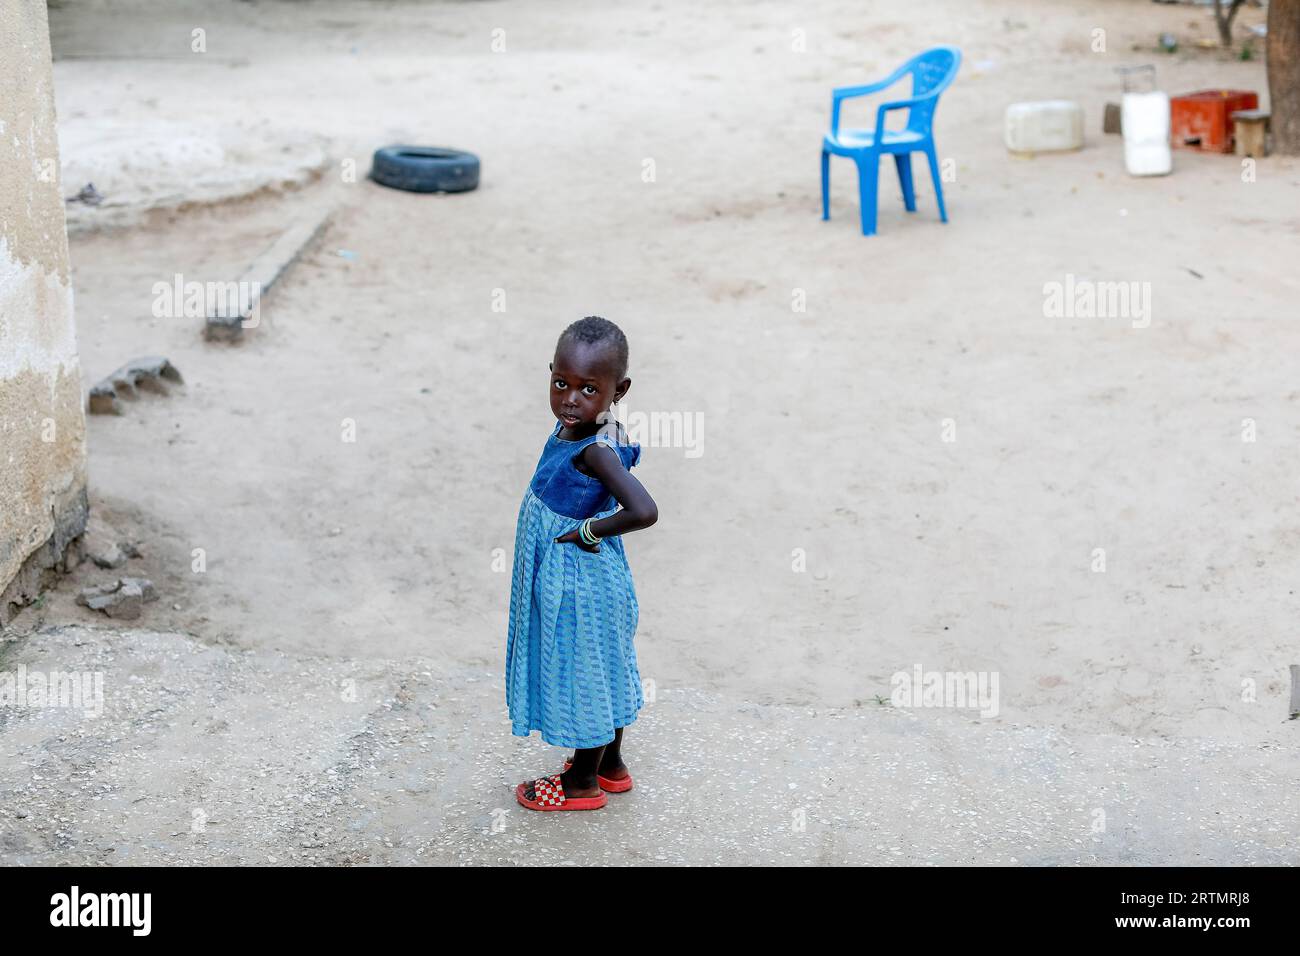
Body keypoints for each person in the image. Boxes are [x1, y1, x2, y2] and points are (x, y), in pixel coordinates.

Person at [506, 315, 658, 811]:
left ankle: (581, 784)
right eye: (561, 383)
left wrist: (588, 530)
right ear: (551, 372)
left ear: (619, 390)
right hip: (580, 575)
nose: (570, 399)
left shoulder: (596, 451)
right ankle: (610, 766)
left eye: (589, 388)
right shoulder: (581, 424)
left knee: (583, 672)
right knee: (605, 665)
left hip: (577, 580)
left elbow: (644, 511)